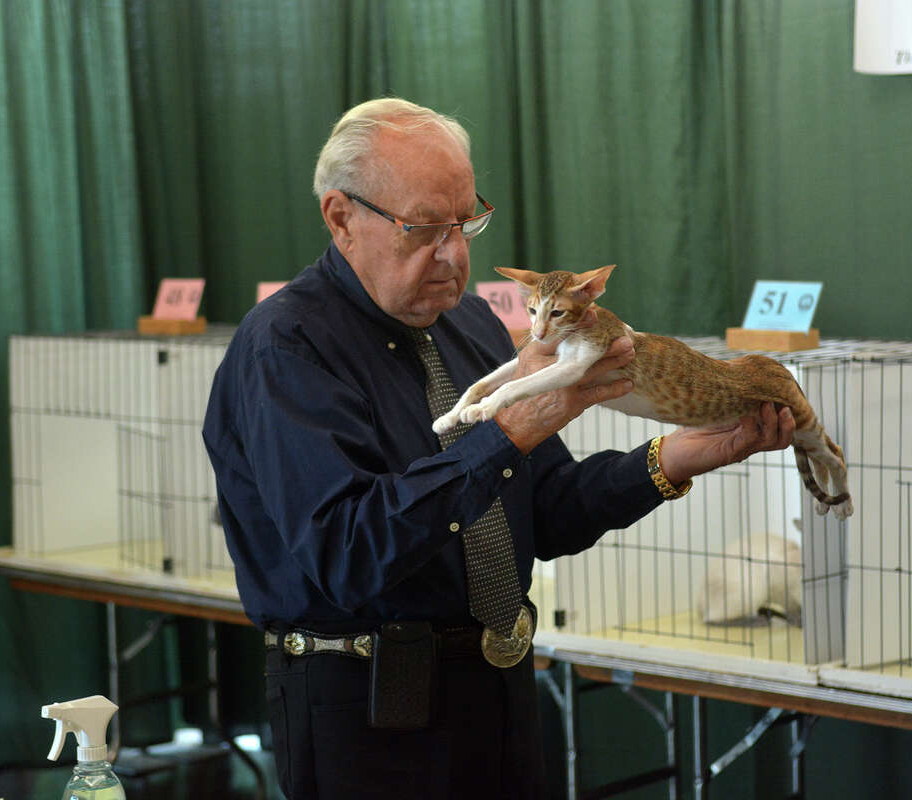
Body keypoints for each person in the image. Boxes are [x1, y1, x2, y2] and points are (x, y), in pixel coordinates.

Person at [202, 97, 794, 800]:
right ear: (341, 218)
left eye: (466, 221)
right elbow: (347, 552)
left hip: (499, 692)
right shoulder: (288, 346)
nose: (454, 253)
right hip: (366, 715)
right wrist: (508, 430)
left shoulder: (472, 324)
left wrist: (674, 459)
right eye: (423, 227)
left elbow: (544, 511)